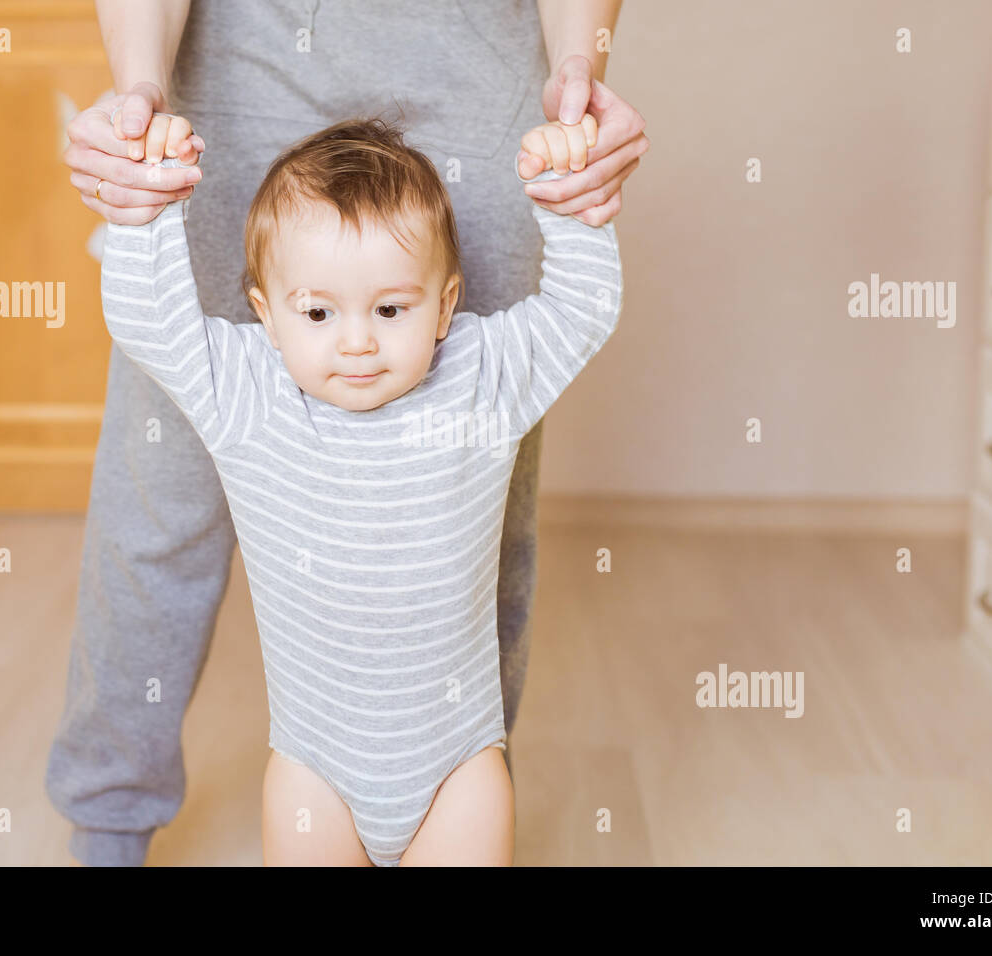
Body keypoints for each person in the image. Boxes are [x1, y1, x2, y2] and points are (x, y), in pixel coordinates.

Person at [46, 0, 648, 866]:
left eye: (393, 309)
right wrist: (142, 184)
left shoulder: (482, 374)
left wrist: (572, 179)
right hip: (312, 776)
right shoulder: (248, 388)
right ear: (263, 316)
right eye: (320, 312)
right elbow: (153, 325)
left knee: (494, 519)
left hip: (460, 771)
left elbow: (582, 307)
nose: (358, 341)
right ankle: (108, 823)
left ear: (448, 307)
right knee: (157, 504)